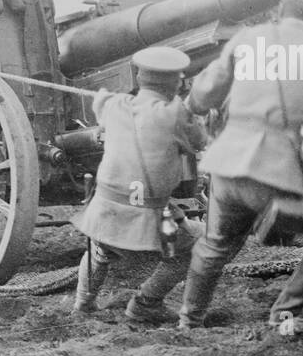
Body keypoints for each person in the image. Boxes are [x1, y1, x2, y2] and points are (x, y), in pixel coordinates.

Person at [175, 0, 303, 330]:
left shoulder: (246, 40)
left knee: (215, 243)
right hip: (276, 170)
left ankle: (189, 319)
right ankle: (286, 311)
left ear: (279, 8)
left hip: (227, 165)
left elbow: (203, 96)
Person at [67, 47, 205, 319]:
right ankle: (146, 303)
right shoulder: (175, 113)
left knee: (98, 250)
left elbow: (99, 109)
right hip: (149, 218)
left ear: (139, 78)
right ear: (175, 84)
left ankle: (83, 304)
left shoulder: (115, 105)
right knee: (196, 245)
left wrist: (105, 99)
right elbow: (199, 141)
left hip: (104, 211)